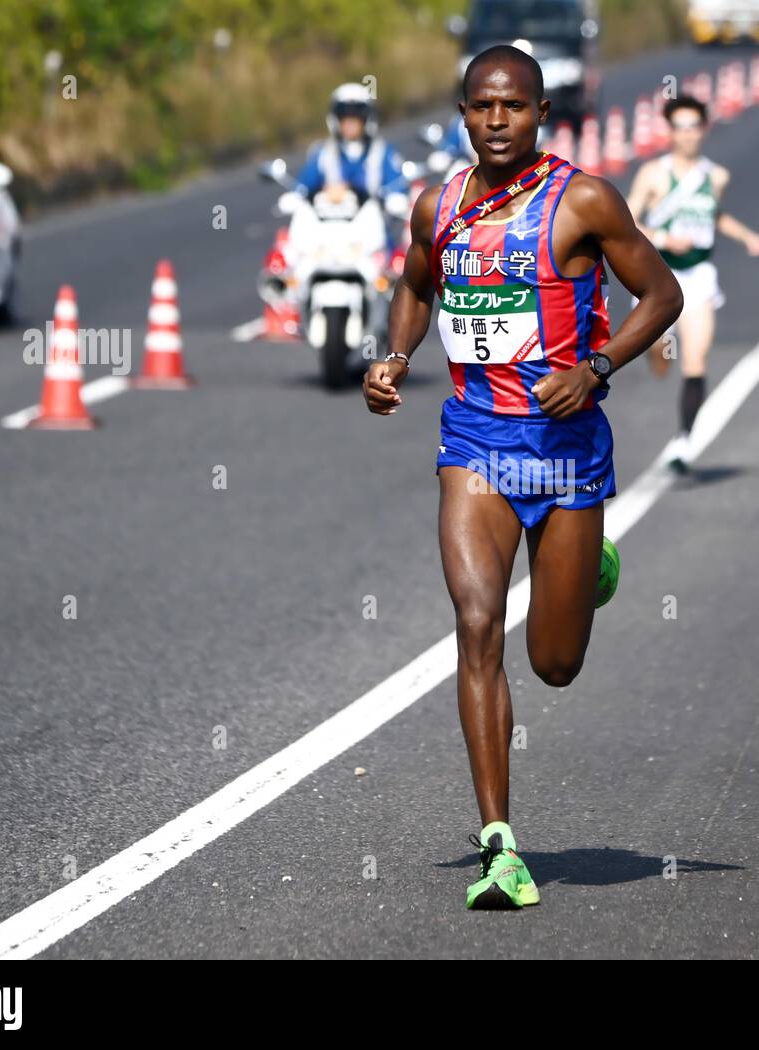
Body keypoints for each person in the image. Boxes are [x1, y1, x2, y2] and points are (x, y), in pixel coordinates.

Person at [362, 45, 683, 909]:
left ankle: (586, 571)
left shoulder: (581, 199)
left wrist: (599, 367)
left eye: (512, 106)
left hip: (567, 451)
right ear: (463, 115)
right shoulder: (441, 205)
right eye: (480, 106)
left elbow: (662, 294)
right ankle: (499, 845)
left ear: (542, 112)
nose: (496, 120)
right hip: (474, 445)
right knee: (475, 624)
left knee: (556, 664)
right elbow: (415, 287)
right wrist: (393, 354)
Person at [625, 96, 759, 473]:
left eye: (694, 127)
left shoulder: (715, 176)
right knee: (660, 351)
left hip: (699, 277)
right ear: (670, 132)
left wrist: (748, 236)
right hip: (658, 278)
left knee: (695, 358)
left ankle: (684, 442)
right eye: (680, 127)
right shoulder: (653, 174)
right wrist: (663, 238)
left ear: (704, 130)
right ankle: (656, 349)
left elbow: (715, 216)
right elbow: (627, 221)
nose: (687, 135)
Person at [296, 83, 409, 238]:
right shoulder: (323, 153)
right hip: (329, 234)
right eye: (344, 116)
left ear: (367, 120)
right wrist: (296, 197)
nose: (350, 123)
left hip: (372, 234)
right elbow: (303, 187)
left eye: (356, 116)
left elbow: (397, 184)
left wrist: (395, 198)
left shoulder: (382, 152)